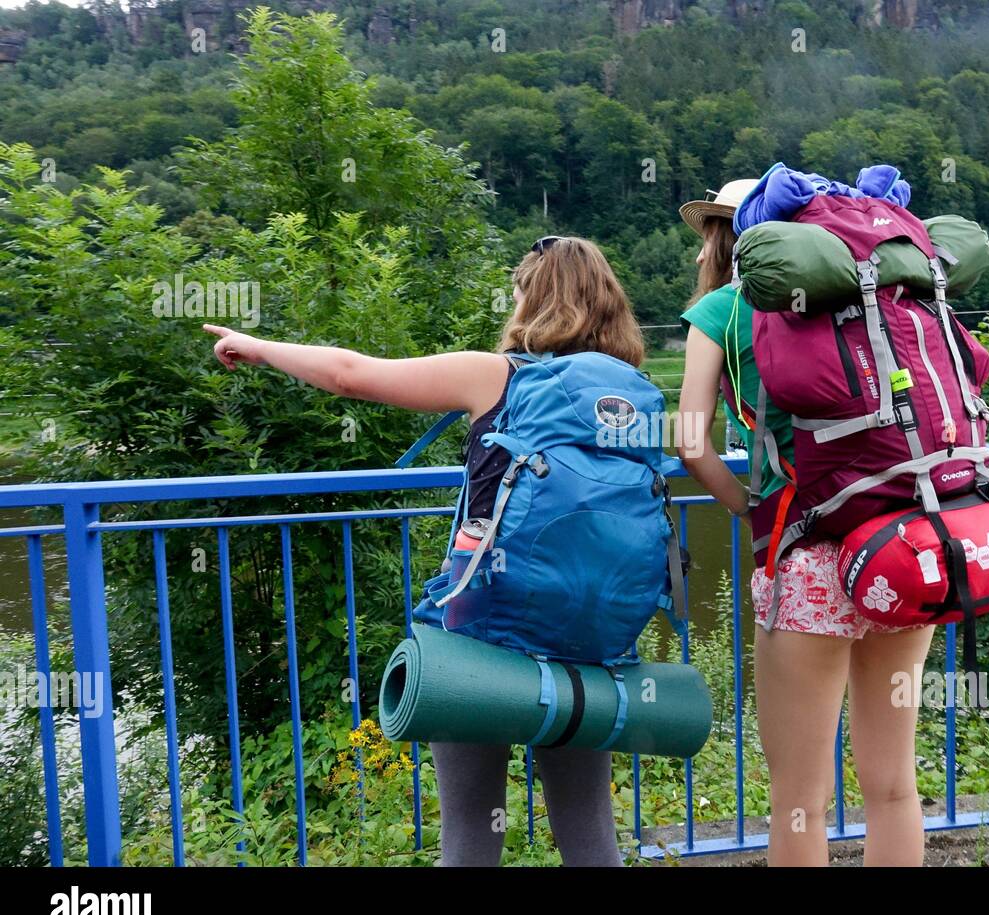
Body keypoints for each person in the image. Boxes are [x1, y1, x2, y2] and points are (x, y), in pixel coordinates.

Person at [205, 235, 641, 866]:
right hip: (591, 634)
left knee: (470, 831)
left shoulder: (498, 375)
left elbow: (350, 374)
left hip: (479, 628)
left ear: (533, 300)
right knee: (587, 828)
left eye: (519, 291)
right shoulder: (631, 394)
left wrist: (257, 346)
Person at [675, 182, 937, 867]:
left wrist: (743, 506)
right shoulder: (870, 298)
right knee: (892, 784)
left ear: (726, 239)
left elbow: (689, 442)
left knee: (800, 795)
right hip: (903, 544)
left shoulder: (721, 311)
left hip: (805, 555)